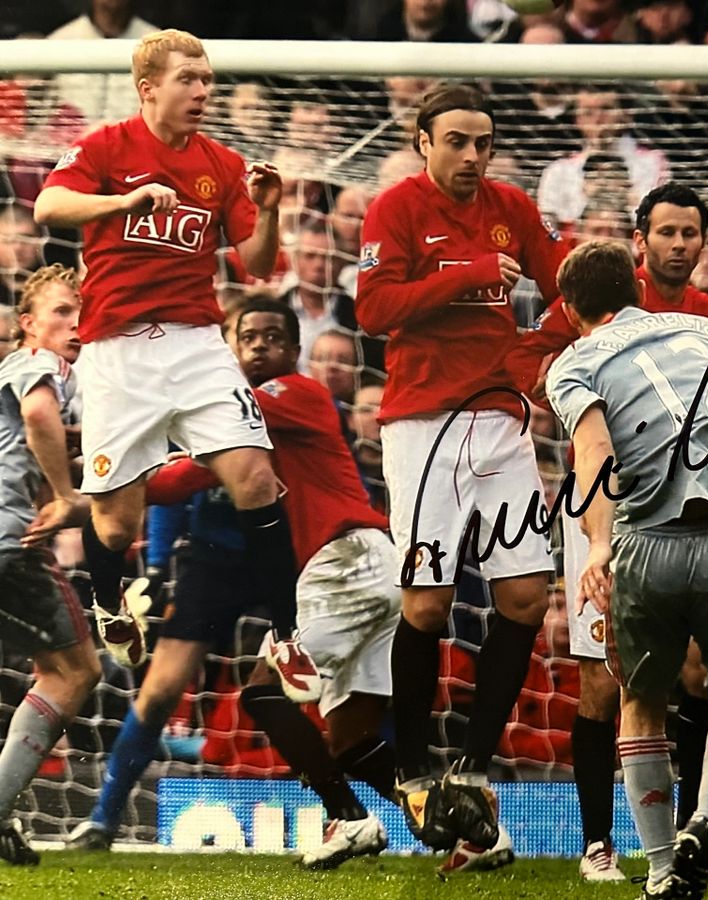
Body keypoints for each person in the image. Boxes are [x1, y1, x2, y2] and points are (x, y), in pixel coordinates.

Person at [67, 298, 409, 870]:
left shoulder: (287, 397)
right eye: (246, 337)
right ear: (227, 345)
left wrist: (115, 458)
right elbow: (177, 485)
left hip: (308, 559)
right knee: (162, 687)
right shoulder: (218, 410)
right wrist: (144, 551)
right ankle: (103, 817)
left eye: (273, 338)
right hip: (219, 554)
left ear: (295, 350)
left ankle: (377, 808)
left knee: (293, 699)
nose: (258, 347)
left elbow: (178, 462)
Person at [32, 29, 319, 701]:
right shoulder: (108, 147)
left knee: (255, 476)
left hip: (195, 343)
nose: (202, 91)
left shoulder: (221, 162)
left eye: (208, 80)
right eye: (188, 79)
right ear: (148, 88)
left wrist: (270, 213)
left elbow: (254, 262)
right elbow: (49, 204)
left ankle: (287, 635)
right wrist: (124, 202)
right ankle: (108, 600)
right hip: (117, 351)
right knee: (116, 524)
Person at [355, 83, 570, 854]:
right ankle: (413, 771)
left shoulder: (513, 206)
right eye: (457, 141)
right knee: (425, 608)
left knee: (524, 597)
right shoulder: (397, 209)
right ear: (424, 141)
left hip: (503, 423)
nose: (473, 156)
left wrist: (538, 351)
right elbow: (373, 312)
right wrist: (468, 275)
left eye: (483, 143)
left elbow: (564, 284)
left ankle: (474, 769)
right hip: (423, 425)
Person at [506, 181, 708, 881]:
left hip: (682, 508)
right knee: (605, 680)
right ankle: (599, 844)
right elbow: (525, 367)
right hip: (602, 507)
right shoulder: (584, 313)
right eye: (666, 232)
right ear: (641, 246)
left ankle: (695, 837)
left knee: (693, 671)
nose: (678, 245)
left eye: (690, 232)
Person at [546, 239, 708, 899]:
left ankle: (664, 870)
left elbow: (595, 453)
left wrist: (597, 545)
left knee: (641, 703)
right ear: (638, 292)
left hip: (648, 543)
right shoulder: (705, 329)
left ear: (567, 310)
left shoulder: (571, 362)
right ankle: (706, 818)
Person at [0, 264, 101, 866]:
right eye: (62, 311)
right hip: (12, 546)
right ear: (28, 324)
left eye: (81, 311)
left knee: (50, 668)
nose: (75, 323)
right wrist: (67, 497)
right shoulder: (35, 367)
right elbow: (40, 418)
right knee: (76, 672)